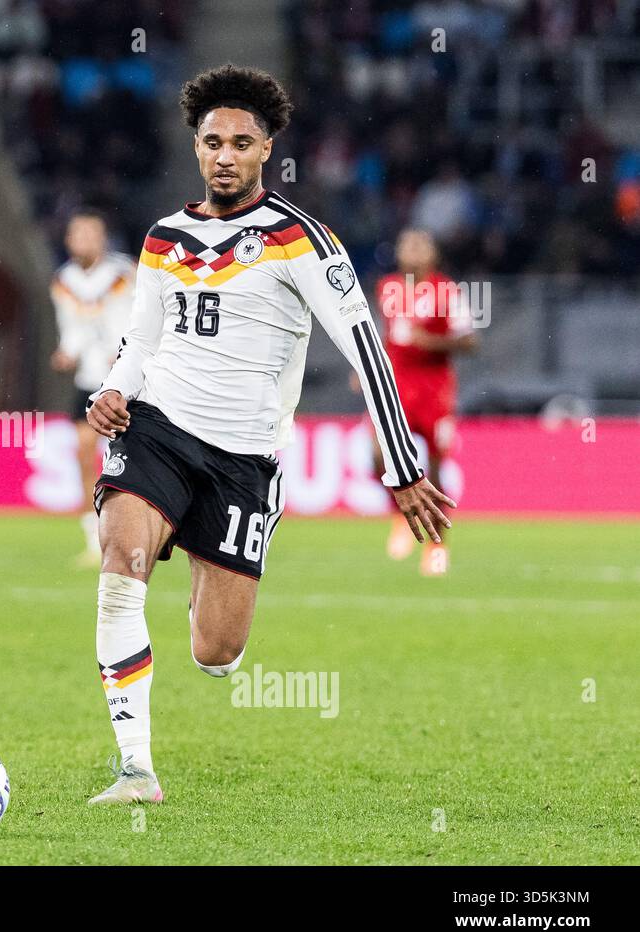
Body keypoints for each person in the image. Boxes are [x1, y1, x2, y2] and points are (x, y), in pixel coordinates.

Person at [83, 65, 454, 804]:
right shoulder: (163, 238)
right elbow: (141, 341)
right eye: (212, 141)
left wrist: (403, 467)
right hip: (156, 429)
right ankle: (135, 769)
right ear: (196, 147)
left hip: (242, 460)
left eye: (240, 143)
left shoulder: (301, 241)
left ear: (266, 150)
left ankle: (198, 550)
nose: (224, 154)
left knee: (216, 652)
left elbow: (366, 350)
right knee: (120, 567)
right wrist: (115, 389)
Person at [370, 228, 476, 574]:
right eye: (406, 245)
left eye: (420, 245)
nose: (412, 251)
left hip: (434, 389)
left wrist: (429, 343)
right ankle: (401, 515)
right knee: (376, 455)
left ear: (433, 254)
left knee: (435, 469)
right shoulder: (387, 288)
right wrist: (367, 369)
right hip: (396, 386)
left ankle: (437, 544)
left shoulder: (448, 291)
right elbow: (384, 336)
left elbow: (470, 342)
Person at [49, 210, 134, 565]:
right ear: (68, 240)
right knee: (85, 454)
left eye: (90, 233)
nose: (83, 239)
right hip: (89, 380)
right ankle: (94, 539)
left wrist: (128, 349)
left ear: (103, 238)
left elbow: (148, 315)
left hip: (129, 379)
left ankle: (137, 535)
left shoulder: (125, 273)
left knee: (132, 460)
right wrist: (67, 352)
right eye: (77, 233)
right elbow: (71, 327)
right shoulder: (63, 280)